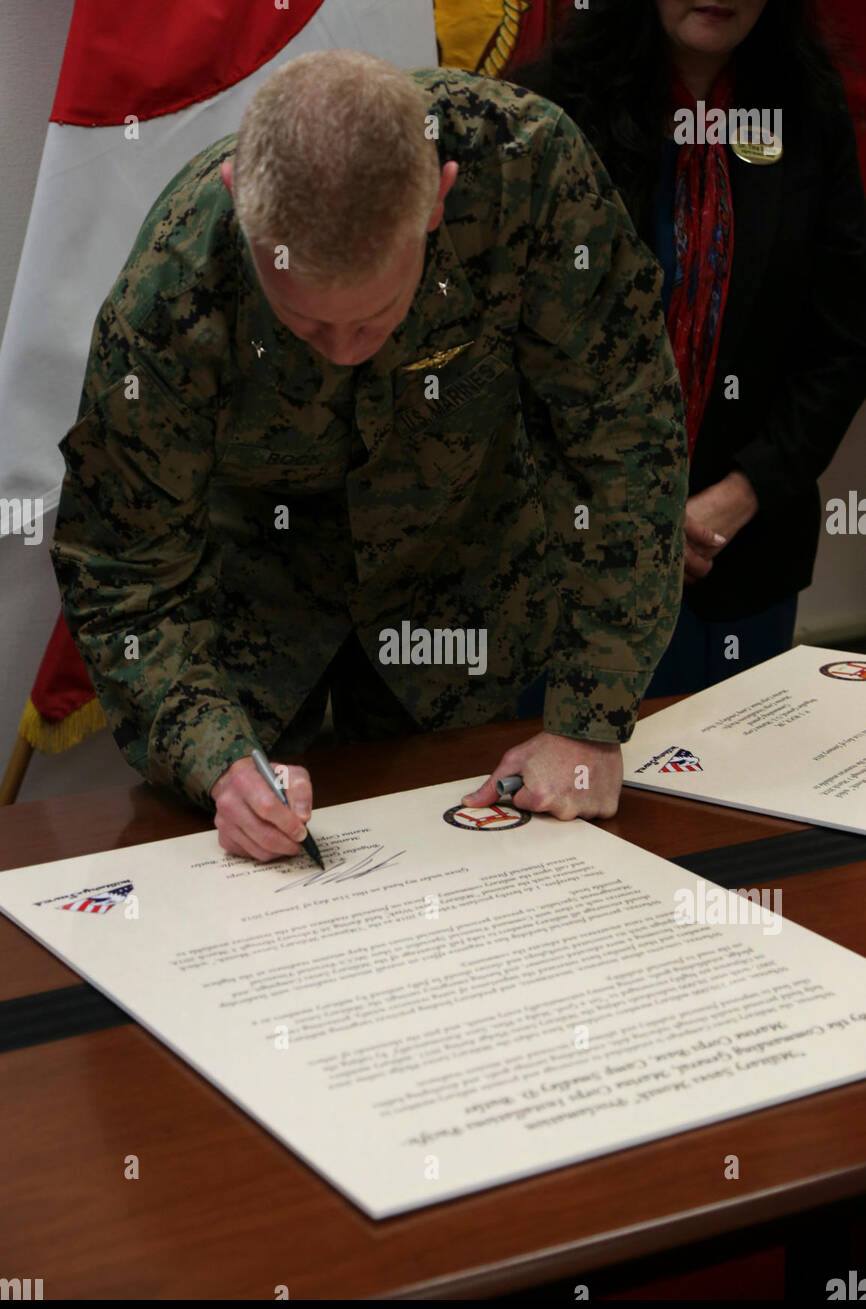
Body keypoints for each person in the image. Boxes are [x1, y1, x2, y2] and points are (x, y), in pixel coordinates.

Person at [50, 49, 688, 863]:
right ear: (240, 203)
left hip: (457, 603)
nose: (346, 351)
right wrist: (216, 760)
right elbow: (120, 568)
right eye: (309, 327)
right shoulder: (172, 290)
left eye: (378, 315)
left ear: (439, 201)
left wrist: (590, 721)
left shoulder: (527, 171)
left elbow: (625, 437)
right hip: (246, 625)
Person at [513, 0, 866, 695]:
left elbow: (845, 337)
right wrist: (628, 516)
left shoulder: (808, 107)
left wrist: (738, 495)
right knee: (579, 792)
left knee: (734, 788)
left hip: (743, 553)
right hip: (574, 561)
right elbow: (511, 356)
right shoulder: (551, 110)